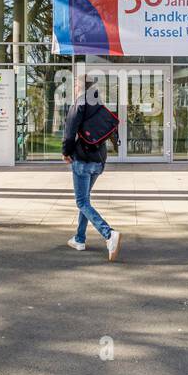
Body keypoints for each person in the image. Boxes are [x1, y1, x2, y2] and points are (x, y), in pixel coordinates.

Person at [62, 78, 123, 260]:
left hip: (82, 160)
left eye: (74, 85)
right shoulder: (98, 105)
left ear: (80, 88)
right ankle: (79, 239)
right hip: (99, 161)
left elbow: (69, 133)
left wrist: (66, 152)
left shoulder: (79, 104)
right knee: (85, 200)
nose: (73, 88)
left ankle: (109, 234)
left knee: (81, 201)